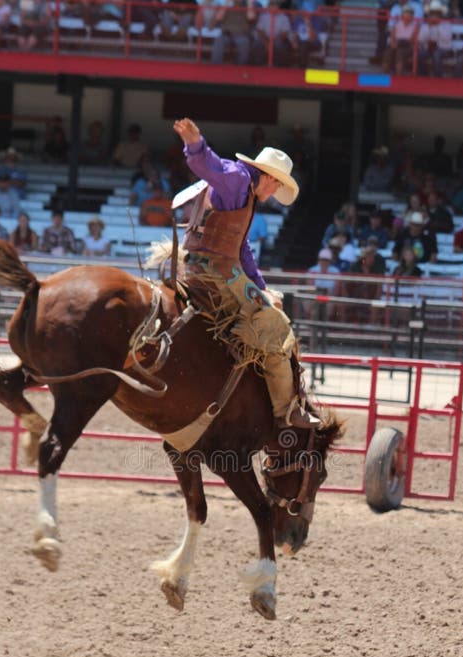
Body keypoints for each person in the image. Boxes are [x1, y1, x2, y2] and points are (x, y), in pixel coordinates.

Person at [172, 116, 318, 429]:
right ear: (268, 176)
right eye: (278, 181)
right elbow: (210, 165)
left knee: (269, 304)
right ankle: (286, 410)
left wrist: (261, 286)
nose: (277, 188)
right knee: (276, 327)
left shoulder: (245, 189)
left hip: (207, 265)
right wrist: (195, 144)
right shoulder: (238, 178)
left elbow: (241, 248)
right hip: (216, 272)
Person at [209, 0, 259, 65]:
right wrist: (226, 3)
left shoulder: (246, 9)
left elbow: (251, 17)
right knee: (219, 40)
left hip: (241, 35)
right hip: (226, 35)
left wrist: (249, 2)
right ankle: (215, 66)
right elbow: (218, 18)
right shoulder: (225, 9)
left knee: (244, 42)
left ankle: (241, 67)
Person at [417, 1, 453, 77]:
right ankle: (423, 75)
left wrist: (438, 25)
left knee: (436, 54)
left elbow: (446, 38)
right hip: (429, 49)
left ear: (440, 14)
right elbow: (420, 39)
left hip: (444, 49)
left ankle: (438, 77)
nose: (434, 15)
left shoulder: (446, 24)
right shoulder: (426, 25)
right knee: (420, 54)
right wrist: (429, 27)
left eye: (436, 13)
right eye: (432, 13)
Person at [383, 3, 420, 75]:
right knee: (388, 53)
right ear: (403, 14)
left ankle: (398, 76)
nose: (409, 15)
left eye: (411, 13)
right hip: (397, 44)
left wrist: (398, 43)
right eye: (407, 13)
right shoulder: (396, 24)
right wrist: (394, 43)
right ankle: (385, 75)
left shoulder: (416, 25)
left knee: (400, 53)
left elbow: (411, 40)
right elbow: (392, 37)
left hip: (408, 46)